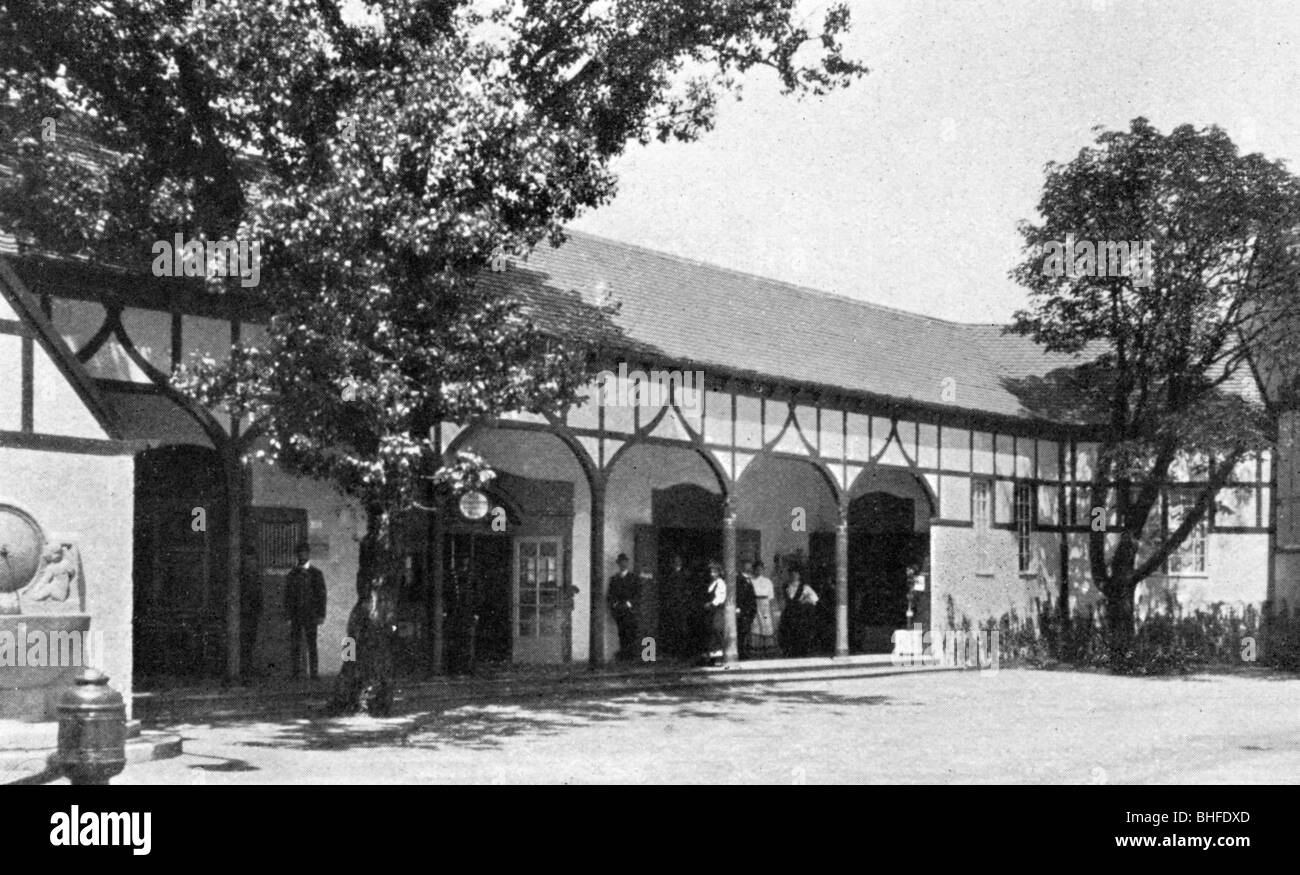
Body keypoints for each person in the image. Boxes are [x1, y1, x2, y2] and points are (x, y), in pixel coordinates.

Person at [285, 543, 326, 679]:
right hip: (296, 614)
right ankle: (295, 673)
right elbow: (288, 596)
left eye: (305, 553)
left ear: (308, 555)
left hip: (311, 614)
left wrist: (321, 614)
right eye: (300, 553)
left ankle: (314, 673)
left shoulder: (316, 574)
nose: (303, 556)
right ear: (297, 555)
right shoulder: (292, 574)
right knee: (296, 644)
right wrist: (288, 615)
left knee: (312, 644)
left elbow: (321, 595)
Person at [607, 553, 640, 662]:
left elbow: (638, 594)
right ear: (618, 564)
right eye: (621, 562)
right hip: (619, 611)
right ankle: (624, 656)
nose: (623, 564)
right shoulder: (614, 579)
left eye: (625, 562)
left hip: (630, 611)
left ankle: (632, 656)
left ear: (628, 563)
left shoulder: (634, 578)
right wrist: (615, 605)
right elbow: (610, 595)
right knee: (621, 633)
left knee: (631, 633)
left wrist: (629, 604)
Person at [779, 568, 818, 657]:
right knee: (787, 633)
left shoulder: (805, 587)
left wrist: (805, 600)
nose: (794, 576)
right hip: (788, 614)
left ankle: (801, 651)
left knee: (800, 633)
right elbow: (782, 599)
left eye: (796, 574)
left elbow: (815, 598)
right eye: (792, 574)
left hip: (800, 614)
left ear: (799, 575)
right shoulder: (786, 587)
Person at [239, 543, 263, 681]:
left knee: (250, 642)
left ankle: (248, 669)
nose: (251, 563)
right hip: (244, 615)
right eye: (248, 561)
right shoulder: (241, 578)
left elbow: (258, 596)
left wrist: (259, 609)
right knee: (245, 643)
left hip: (252, 614)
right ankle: (244, 670)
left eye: (253, 560)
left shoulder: (256, 577)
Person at [750, 560, 777, 658]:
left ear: (763, 570)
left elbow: (771, 597)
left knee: (766, 624)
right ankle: (756, 651)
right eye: (756, 569)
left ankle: (769, 650)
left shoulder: (767, 581)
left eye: (760, 569)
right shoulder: (751, 581)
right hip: (755, 604)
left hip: (765, 605)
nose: (758, 571)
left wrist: (772, 608)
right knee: (756, 625)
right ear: (754, 570)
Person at [703, 560, 727, 664]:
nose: (712, 574)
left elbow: (720, 597)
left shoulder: (720, 583)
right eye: (711, 572)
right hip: (711, 611)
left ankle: (719, 657)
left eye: (715, 572)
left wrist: (712, 604)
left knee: (716, 629)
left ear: (719, 572)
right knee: (710, 631)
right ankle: (711, 656)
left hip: (717, 610)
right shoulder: (712, 584)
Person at [736, 562, 757, 659]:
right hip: (742, 609)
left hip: (749, 609)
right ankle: (741, 652)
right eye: (747, 567)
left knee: (745, 630)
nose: (749, 569)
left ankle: (744, 651)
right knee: (741, 631)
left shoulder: (750, 579)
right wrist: (738, 607)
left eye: (750, 567)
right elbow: (739, 595)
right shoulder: (739, 579)